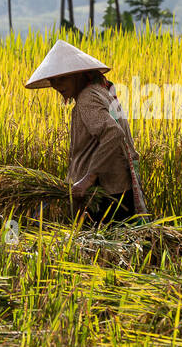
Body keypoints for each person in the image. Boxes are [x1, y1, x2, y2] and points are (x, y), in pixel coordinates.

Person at [24, 39, 147, 223]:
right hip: (117, 187)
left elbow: (113, 134)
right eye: (53, 80)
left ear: (79, 75)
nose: (57, 86)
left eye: (62, 78)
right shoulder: (101, 91)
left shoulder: (87, 98)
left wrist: (88, 179)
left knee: (101, 246)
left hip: (105, 193)